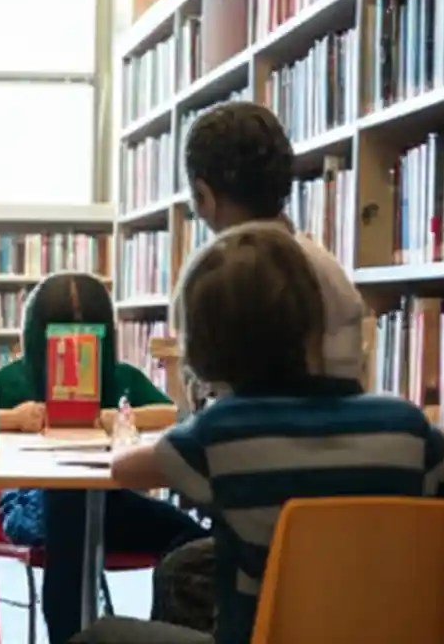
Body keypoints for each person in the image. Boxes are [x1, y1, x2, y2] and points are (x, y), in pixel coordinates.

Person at [71, 222, 444, 644]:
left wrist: (127, 435)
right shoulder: (405, 426)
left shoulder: (217, 436)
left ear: (202, 354)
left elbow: (126, 470)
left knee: (102, 635)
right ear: (316, 326)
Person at [152, 100, 371, 632]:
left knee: (183, 572)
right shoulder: (329, 269)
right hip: (356, 536)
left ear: (202, 196)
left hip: (271, 537)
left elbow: (205, 428)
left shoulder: (220, 274)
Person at [0, 273, 206, 644]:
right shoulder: (13, 379)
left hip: (106, 500)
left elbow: (171, 413)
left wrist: (120, 417)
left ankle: (167, 632)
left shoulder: (118, 377)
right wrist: (14, 418)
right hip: (28, 499)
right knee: (68, 509)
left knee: (192, 540)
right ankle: (69, 636)